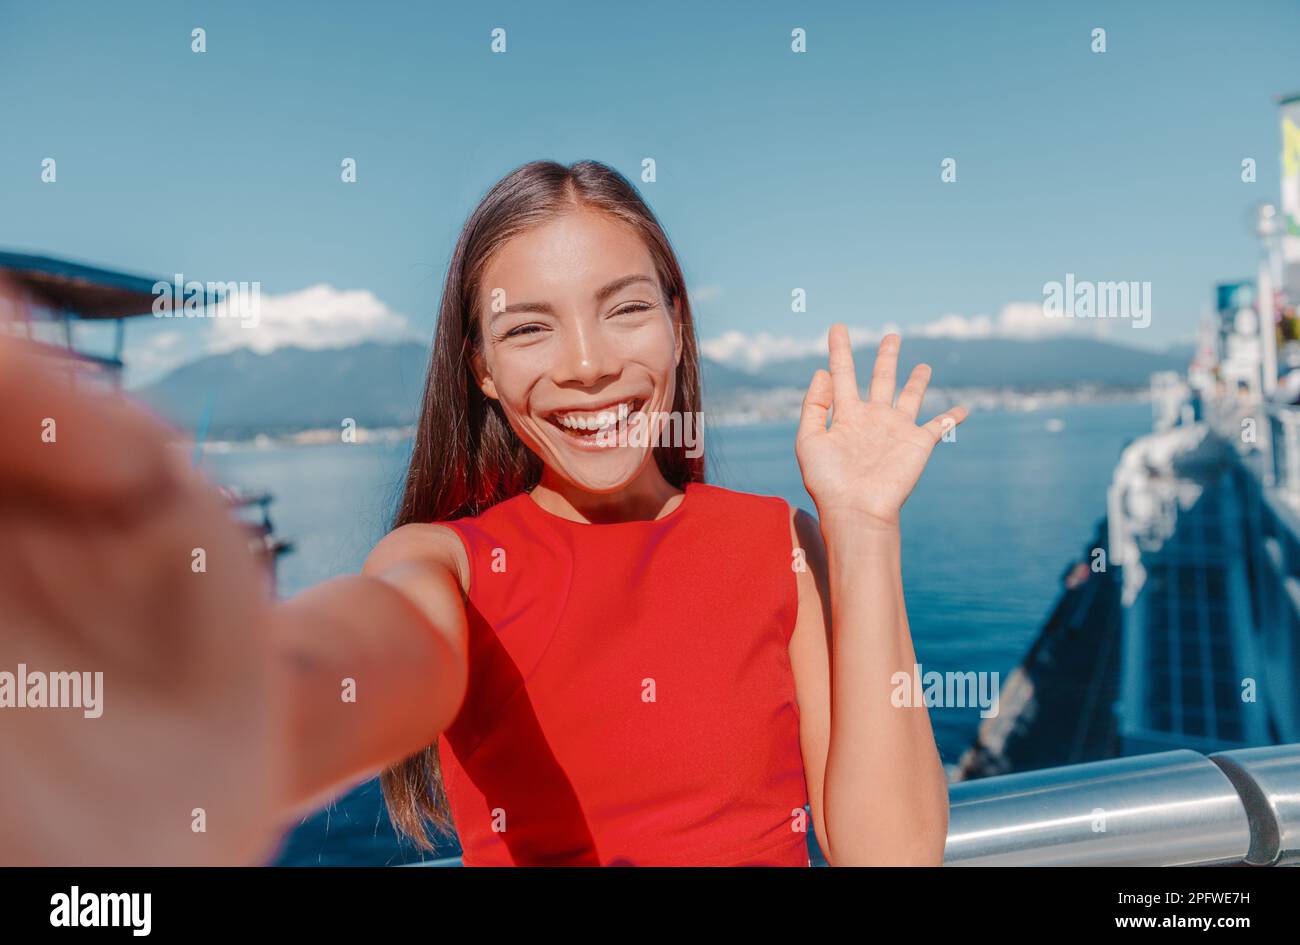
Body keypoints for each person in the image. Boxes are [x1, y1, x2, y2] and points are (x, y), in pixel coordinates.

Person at [0, 160, 967, 866]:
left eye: (625, 309)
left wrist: (864, 527)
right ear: (484, 373)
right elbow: (367, 658)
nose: (586, 362)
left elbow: (892, 857)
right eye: (528, 328)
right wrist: (207, 712)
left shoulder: (780, 543)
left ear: (677, 322)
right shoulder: (448, 564)